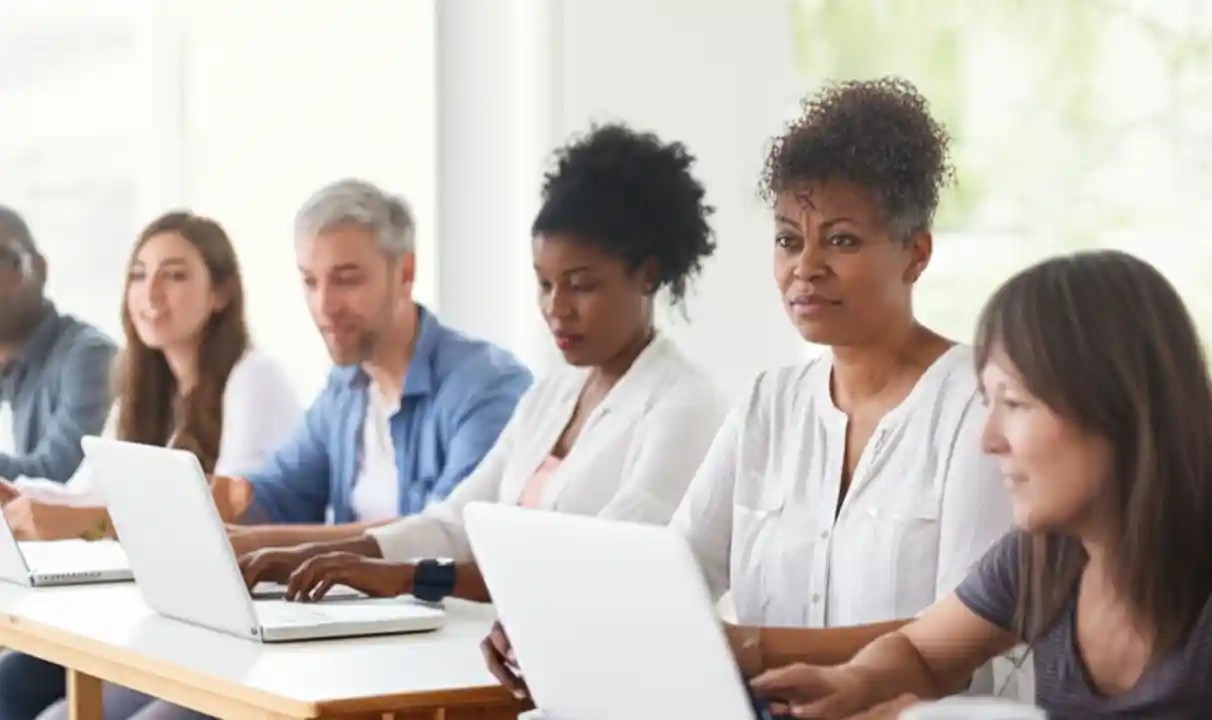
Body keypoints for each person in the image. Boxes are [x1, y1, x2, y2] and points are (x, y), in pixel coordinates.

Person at [480, 78, 1013, 703]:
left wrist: (756, 645)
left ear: (915, 254)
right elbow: (670, 573)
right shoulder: (770, 405)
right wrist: (547, 618)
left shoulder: (980, 407)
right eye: (789, 239)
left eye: (841, 240)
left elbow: (964, 637)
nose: (805, 268)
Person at [752, 251, 1212, 719]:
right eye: (989, 403)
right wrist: (854, 682)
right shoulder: (1044, 556)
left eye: (1016, 404)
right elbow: (920, 653)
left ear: (1118, 408)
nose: (990, 440)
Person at [237, 124, 728, 611]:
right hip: (504, 654)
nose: (556, 307)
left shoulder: (684, 405)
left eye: (580, 285)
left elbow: (595, 566)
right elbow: (456, 522)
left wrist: (406, 577)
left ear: (646, 275)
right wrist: (316, 556)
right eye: (544, 283)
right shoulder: (552, 397)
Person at [0, 211, 302, 720]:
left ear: (222, 293)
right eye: (139, 274)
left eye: (175, 275)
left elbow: (227, 519)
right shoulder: (146, 389)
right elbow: (79, 490)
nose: (150, 292)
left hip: (235, 634)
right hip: (161, 620)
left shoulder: (254, 378)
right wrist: (17, 492)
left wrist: (81, 520)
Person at [212, 179, 532, 554]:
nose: (324, 306)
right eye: (310, 282)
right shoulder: (347, 388)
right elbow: (277, 495)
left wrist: (266, 545)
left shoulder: (486, 386)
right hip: (363, 609)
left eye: (346, 280)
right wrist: (202, 496)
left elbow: (447, 533)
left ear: (405, 274)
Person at [0, 206, 114, 486]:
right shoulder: (10, 367)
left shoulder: (89, 358)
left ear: (40, 269)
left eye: (3, 259)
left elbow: (58, 481)